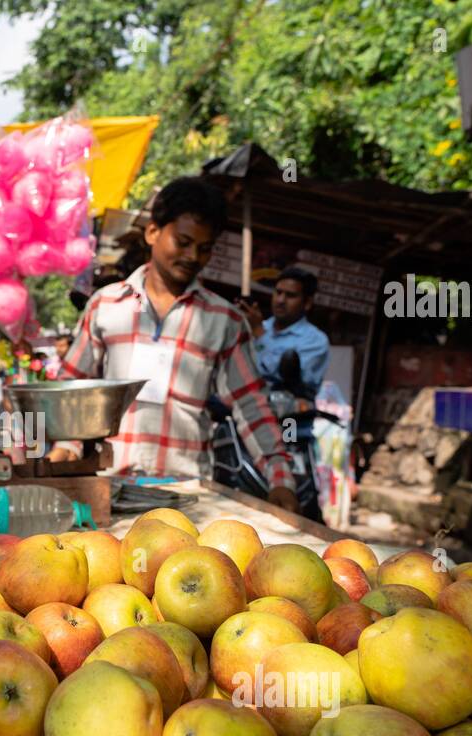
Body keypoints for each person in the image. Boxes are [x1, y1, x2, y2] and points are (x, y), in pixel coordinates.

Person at [52, 176, 300, 512]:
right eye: (182, 241)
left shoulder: (224, 320)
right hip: (109, 486)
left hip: (187, 494)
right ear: (153, 232)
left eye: (205, 247)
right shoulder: (105, 306)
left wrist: (280, 477)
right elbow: (72, 387)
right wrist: (67, 442)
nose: (192, 256)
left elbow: (251, 404)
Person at [235, 266, 331, 400]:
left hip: (289, 418)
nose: (280, 300)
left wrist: (259, 334)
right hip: (248, 410)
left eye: (290, 296)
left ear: (307, 303)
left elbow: (287, 379)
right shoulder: (257, 326)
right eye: (278, 292)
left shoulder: (315, 340)